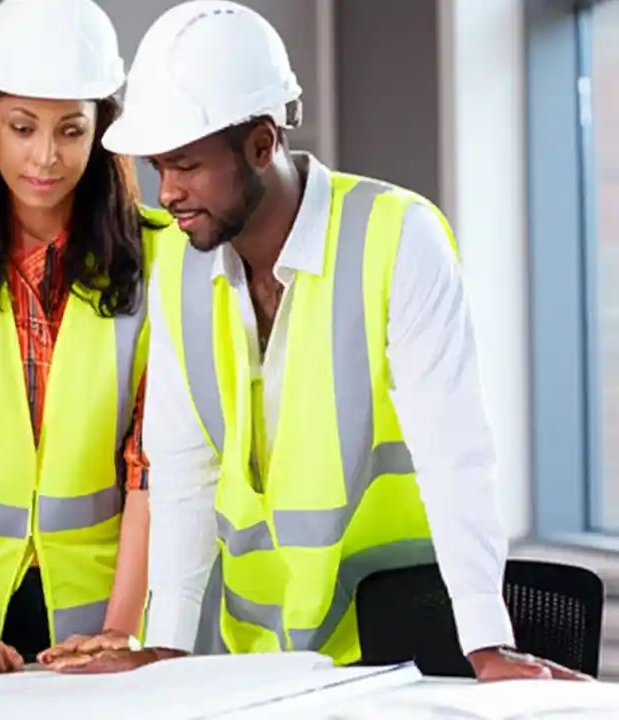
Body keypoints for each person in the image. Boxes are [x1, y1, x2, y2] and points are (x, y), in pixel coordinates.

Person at [48, 0, 591, 681]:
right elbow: (183, 472)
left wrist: (486, 642)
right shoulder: (179, 272)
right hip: (267, 663)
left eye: (186, 164)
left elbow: (457, 453)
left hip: (400, 646)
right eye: (159, 168)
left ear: (261, 144)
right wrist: (169, 647)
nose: (169, 193)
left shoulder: (397, 237)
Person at [0, 0, 181, 670]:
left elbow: (153, 466)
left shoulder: (166, 258)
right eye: (23, 127)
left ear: (103, 128)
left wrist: (121, 633)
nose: (45, 156)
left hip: (116, 602)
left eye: (71, 130)